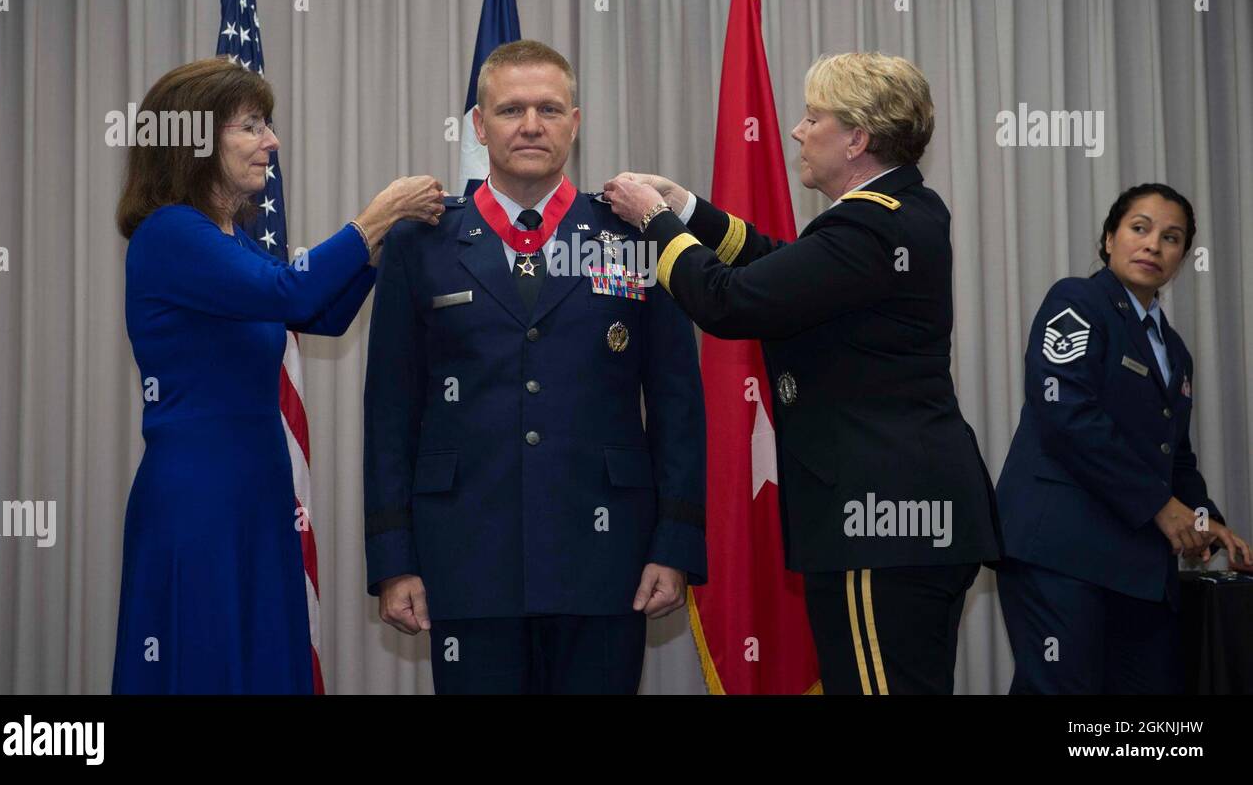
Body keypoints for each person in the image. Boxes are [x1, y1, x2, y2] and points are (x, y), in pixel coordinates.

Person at [604, 51, 1002, 694]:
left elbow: (729, 302)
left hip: (881, 520)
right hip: (902, 516)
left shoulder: (869, 223)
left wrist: (655, 222)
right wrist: (690, 209)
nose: (796, 131)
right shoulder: (899, 211)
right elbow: (780, 271)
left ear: (856, 138)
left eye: (813, 117)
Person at [362, 40, 706, 694]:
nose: (530, 125)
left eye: (549, 109)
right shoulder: (422, 241)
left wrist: (675, 544)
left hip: (606, 559)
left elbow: (677, 404)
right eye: (511, 109)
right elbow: (389, 412)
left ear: (575, 123)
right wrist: (393, 559)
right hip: (463, 558)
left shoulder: (631, 235)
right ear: (478, 125)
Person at [112, 57, 444, 693]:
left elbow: (321, 314)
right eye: (252, 125)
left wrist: (384, 245)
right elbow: (292, 293)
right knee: (207, 659)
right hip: (201, 498)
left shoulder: (232, 239)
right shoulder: (170, 233)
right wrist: (374, 217)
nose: (272, 141)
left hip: (256, 495)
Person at [995, 183, 1253, 694]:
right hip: (1061, 553)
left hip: (1137, 566)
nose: (1154, 245)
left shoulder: (1174, 351)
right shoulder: (1077, 301)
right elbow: (1064, 411)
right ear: (1110, 238)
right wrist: (1161, 507)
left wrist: (1205, 521)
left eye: (1172, 237)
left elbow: (1175, 457)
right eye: (1140, 228)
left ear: (1182, 257)